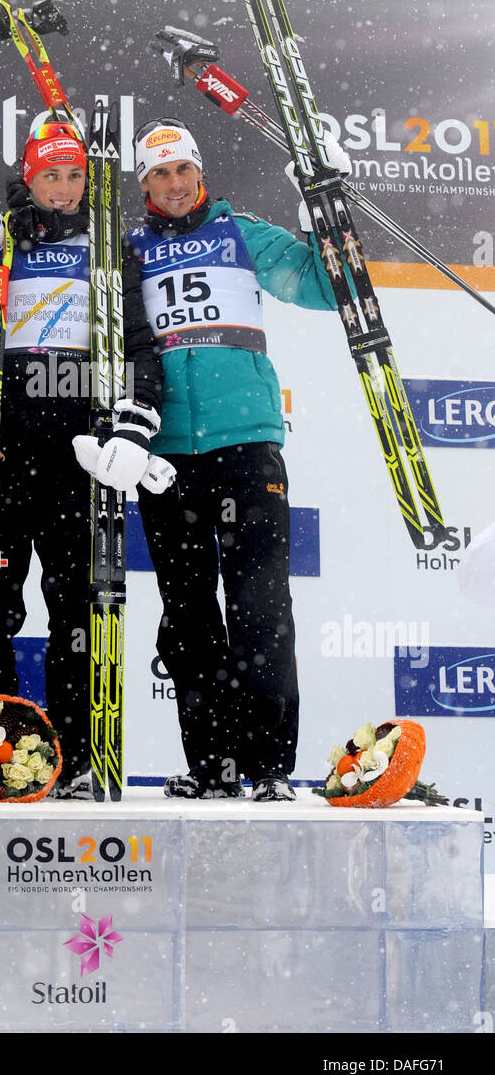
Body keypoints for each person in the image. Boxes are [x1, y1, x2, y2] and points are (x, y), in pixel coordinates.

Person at [0, 115, 164, 798]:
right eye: (50, 175)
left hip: (81, 456)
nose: (63, 189)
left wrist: (131, 429)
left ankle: (73, 753)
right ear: (28, 177)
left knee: (76, 609)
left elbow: (139, 348)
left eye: (74, 176)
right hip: (4, 450)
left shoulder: (108, 248)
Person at [125, 117, 339, 801]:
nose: (174, 184)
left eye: (181, 169)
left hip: (245, 442)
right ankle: (211, 763)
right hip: (164, 451)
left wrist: (323, 209)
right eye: (158, 174)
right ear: (144, 185)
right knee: (187, 615)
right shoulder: (127, 251)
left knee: (259, 608)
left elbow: (324, 286)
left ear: (198, 172)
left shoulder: (237, 231)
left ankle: (270, 766)